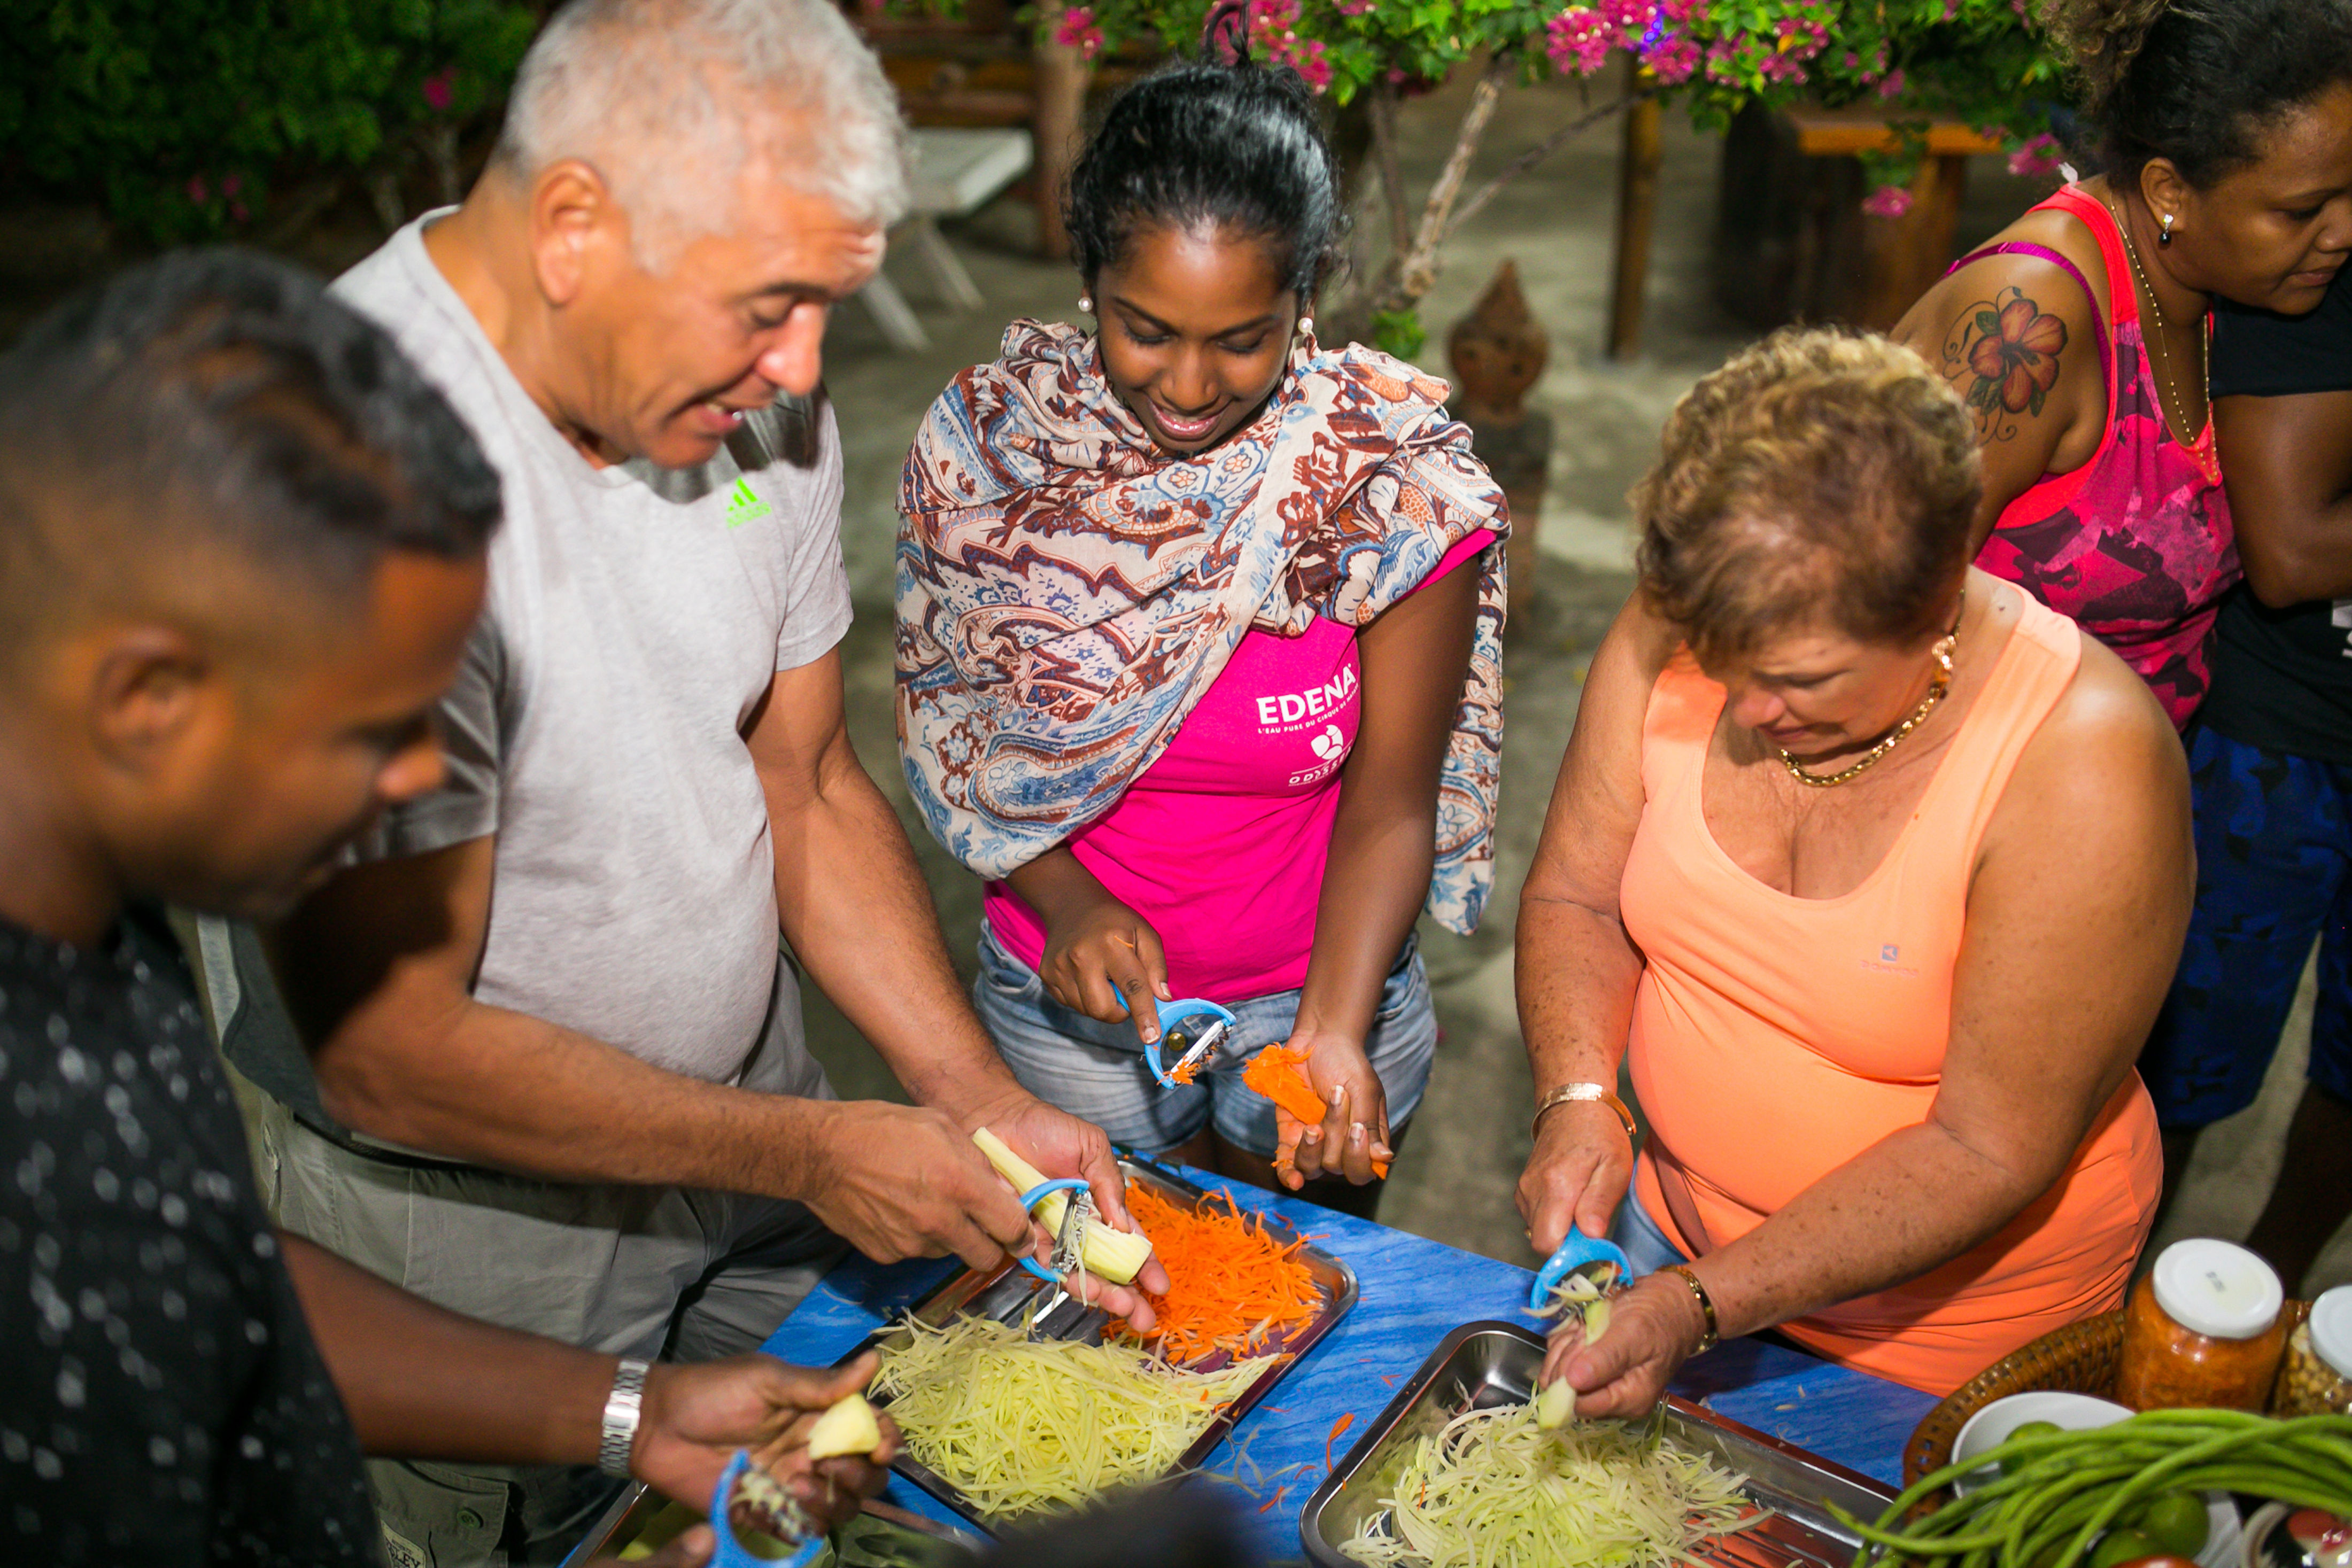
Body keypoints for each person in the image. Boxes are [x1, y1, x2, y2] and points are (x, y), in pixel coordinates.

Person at [196, 2, 1162, 1558]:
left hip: (755, 1136)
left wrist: (973, 1096)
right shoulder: (344, 491)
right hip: (473, 1235)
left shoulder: (751, 393)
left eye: (827, 302)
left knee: (836, 1493)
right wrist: (810, 1147)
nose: (805, 366)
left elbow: (808, 781)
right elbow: (390, 1047)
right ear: (575, 224)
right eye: (771, 305)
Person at [0, 250, 893, 1567]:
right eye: (380, 731)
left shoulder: (88, 939)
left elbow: (206, 1282)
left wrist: (629, 1416)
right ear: (147, 699)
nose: (425, 783)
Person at [1514, 329, 2189, 1409]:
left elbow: (1984, 1148)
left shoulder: (2083, 763)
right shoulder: (1707, 610)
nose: (1741, 711)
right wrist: (1579, 1094)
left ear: (1933, 607)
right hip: (1668, 1238)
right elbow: (1576, 896)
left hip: (1943, 1341)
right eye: (1720, 665)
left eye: (1797, 680)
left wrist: (1698, 1304)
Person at [895, 56, 1508, 1218]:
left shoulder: (1388, 493)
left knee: (1293, 1309)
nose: (1186, 383)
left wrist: (1331, 1033)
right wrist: (1066, 901)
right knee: (1111, 1333)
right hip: (1068, 1015)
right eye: (1144, 330)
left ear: (1303, 302)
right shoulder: (989, 463)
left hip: (1321, 991)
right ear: (1089, 286)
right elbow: (954, 734)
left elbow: (1391, 805)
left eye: (1241, 338)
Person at [1890, 0, 2352, 725]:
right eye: (2303, 211)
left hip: (2127, 787)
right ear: (2171, 192)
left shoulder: (2221, 290)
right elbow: (1877, 591)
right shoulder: (2032, 317)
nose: (2343, 233)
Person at [2137, 261, 2352, 1289]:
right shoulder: (2328, 264)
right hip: (2278, 735)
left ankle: (2257, 1306)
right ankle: (2110, 1298)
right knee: (2177, 1068)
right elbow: (2294, 551)